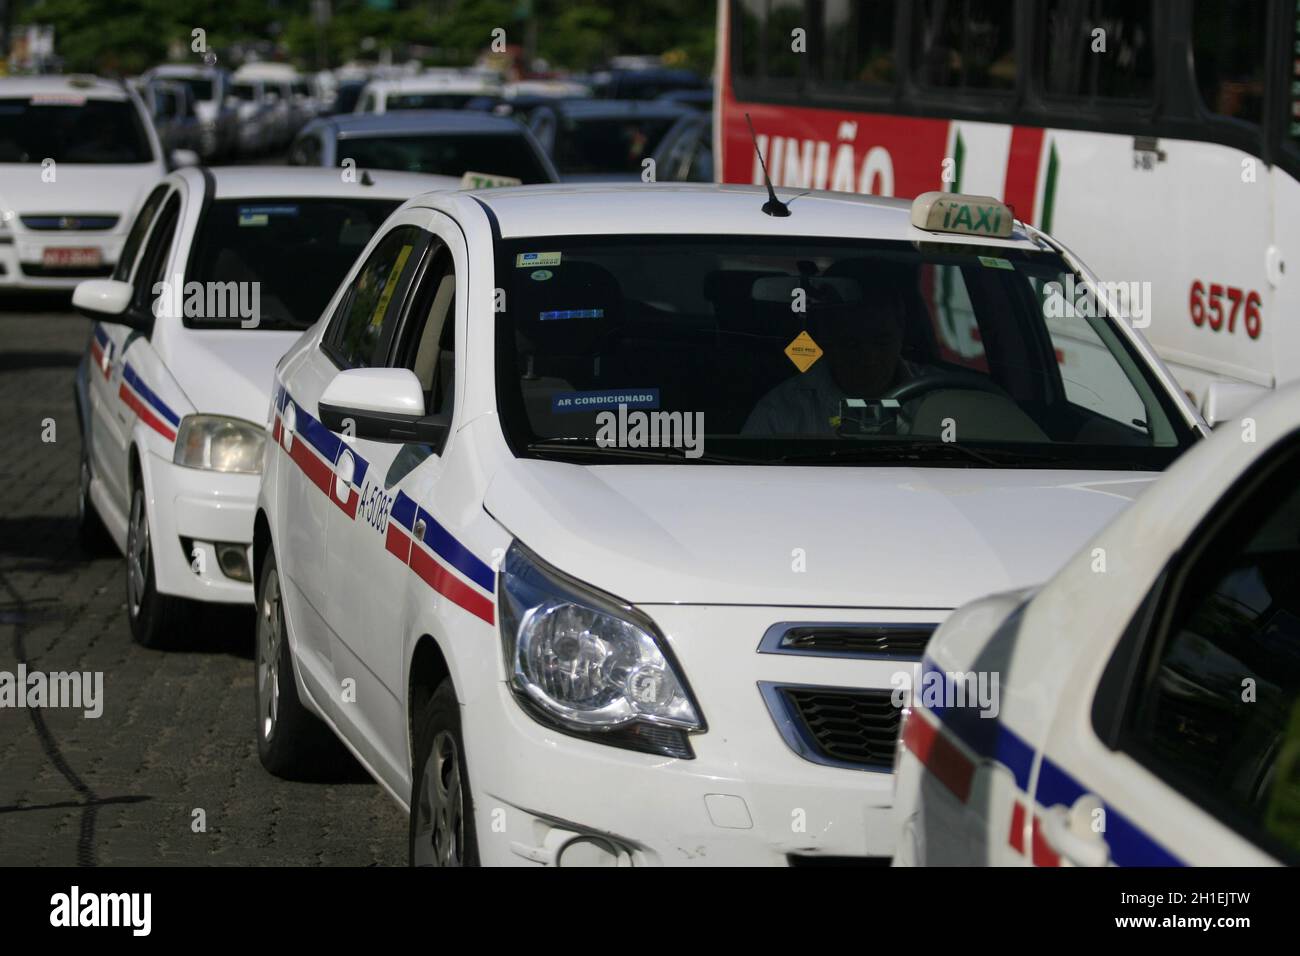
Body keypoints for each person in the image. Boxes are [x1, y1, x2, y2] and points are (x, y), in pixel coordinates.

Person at [742, 282, 917, 436]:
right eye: (852, 344)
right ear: (827, 339)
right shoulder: (781, 412)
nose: (869, 357)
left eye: (881, 342)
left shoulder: (938, 397)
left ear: (901, 335)